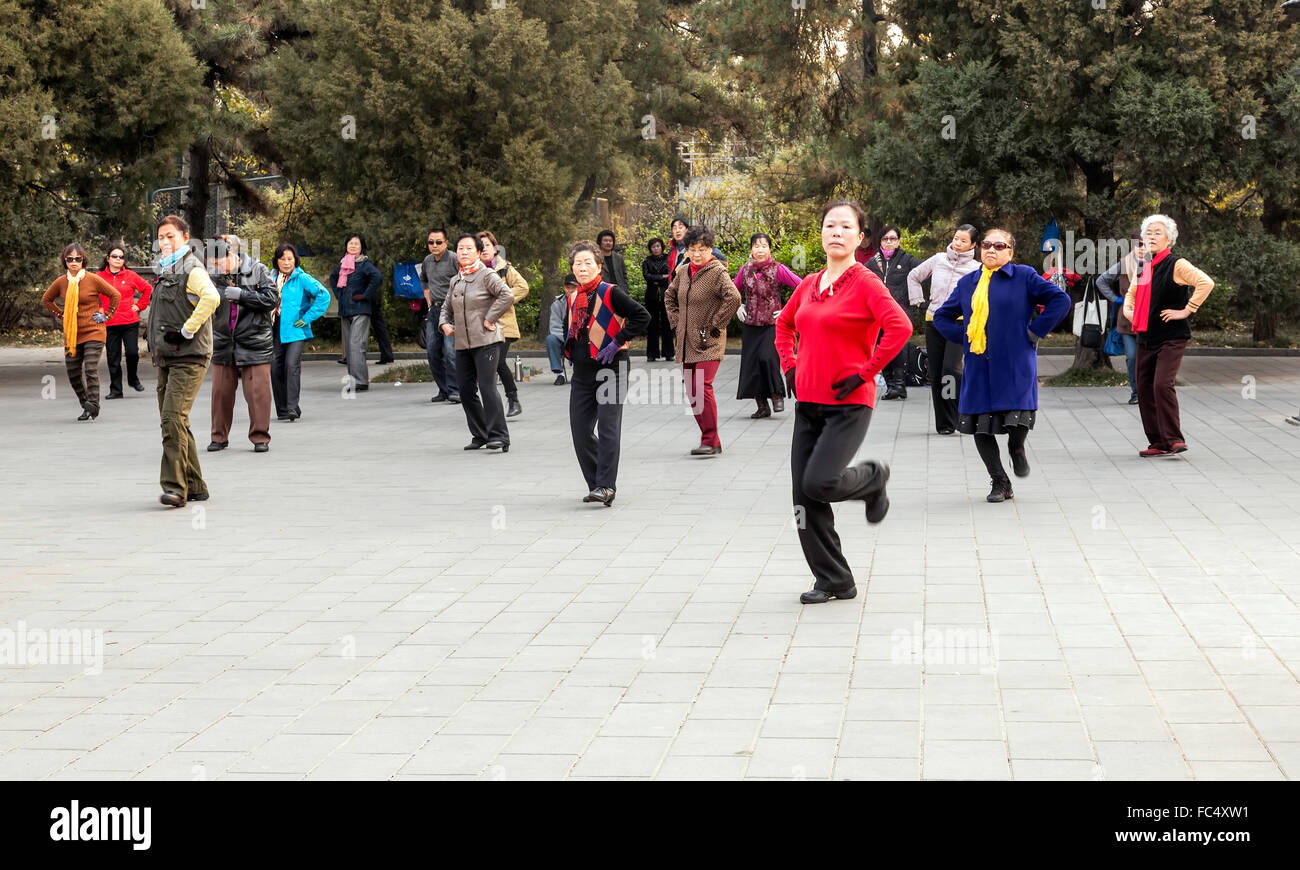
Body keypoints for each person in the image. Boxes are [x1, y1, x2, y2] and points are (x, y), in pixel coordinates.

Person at [775, 200, 911, 605]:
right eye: (829, 225)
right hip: (809, 403)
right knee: (804, 495)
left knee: (820, 481)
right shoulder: (810, 283)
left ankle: (872, 479)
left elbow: (899, 326)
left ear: (860, 238)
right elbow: (784, 324)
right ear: (821, 233)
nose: (836, 232)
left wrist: (866, 372)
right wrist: (790, 366)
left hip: (849, 403)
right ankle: (834, 580)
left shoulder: (866, 282)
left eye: (845, 227)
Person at [933, 229, 1071, 502]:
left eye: (999, 245)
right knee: (979, 424)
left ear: (1010, 252)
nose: (991, 250)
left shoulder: (1024, 276)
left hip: (1015, 360)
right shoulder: (968, 282)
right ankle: (1000, 481)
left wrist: (1034, 332)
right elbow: (942, 316)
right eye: (986, 245)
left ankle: (1016, 448)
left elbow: (1060, 300)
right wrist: (964, 336)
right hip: (979, 364)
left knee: (1016, 415)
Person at [563, 241, 650, 506]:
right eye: (578, 263)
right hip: (583, 372)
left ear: (599, 266)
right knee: (580, 430)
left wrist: (617, 341)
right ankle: (596, 482)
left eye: (588, 262)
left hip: (612, 368)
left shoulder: (610, 292)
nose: (583, 267)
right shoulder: (573, 296)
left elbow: (642, 316)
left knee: (609, 428)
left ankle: (605, 486)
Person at [1123, 214, 1214, 457]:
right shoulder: (1144, 265)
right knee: (1143, 388)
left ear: (1169, 239)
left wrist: (1186, 310)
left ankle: (1174, 439)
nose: (1151, 236)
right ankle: (1158, 443)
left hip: (1172, 336)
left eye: (1157, 233)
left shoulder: (1177, 264)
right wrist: (1129, 311)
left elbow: (1206, 283)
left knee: (1162, 384)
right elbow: (1131, 294)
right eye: (1148, 232)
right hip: (1145, 335)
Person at [148, 215, 220, 507]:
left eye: (170, 236)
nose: (165, 242)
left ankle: (176, 488)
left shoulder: (191, 268)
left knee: (171, 419)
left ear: (185, 237)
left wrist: (188, 329)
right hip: (168, 356)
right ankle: (196, 485)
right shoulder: (167, 268)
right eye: (161, 237)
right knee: (177, 421)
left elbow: (211, 298)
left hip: (189, 357)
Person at [665, 225, 741, 456]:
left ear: (711, 249)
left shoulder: (718, 272)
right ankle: (709, 439)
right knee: (692, 392)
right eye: (692, 249)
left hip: (709, 341)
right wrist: (677, 322)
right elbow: (669, 296)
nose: (697, 254)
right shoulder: (684, 271)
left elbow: (734, 298)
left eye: (703, 249)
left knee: (702, 386)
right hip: (687, 341)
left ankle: (710, 439)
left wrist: (716, 324)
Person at [440, 233, 514, 452]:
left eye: (469, 249)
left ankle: (499, 435)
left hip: (487, 341)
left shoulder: (487, 275)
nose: (464, 252)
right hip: (463, 343)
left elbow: (506, 295)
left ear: (478, 252)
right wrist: (444, 323)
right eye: (460, 249)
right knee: (464, 389)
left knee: (487, 386)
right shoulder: (456, 280)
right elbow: (446, 307)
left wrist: (490, 318)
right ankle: (480, 434)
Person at [207, 235, 278, 453]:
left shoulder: (256, 269)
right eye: (213, 265)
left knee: (257, 392)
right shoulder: (214, 276)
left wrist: (243, 296)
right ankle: (218, 437)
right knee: (220, 392)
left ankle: (260, 437)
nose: (217, 268)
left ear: (231, 255)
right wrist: (217, 294)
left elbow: (271, 298)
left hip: (254, 339)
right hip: (223, 339)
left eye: (219, 263)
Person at [907, 224, 981, 433]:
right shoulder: (938, 259)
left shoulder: (977, 269)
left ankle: (960, 414)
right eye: (956, 238)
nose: (957, 243)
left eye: (963, 241)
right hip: (934, 322)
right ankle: (945, 424)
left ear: (973, 245)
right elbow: (913, 276)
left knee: (951, 370)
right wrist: (919, 301)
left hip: (959, 325)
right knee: (937, 372)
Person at [42, 244, 121, 421]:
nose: (74, 262)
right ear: (65, 261)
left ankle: (94, 404)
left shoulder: (92, 279)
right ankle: (86, 405)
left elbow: (115, 295)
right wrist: (61, 314)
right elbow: (46, 299)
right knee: (73, 373)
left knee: (90, 368)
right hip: (72, 333)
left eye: (78, 259)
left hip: (94, 330)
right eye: (70, 259)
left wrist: (106, 315)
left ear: (83, 260)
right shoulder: (61, 282)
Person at [734, 233, 801, 418]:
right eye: (756, 246)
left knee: (768, 358)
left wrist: (788, 310)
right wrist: (737, 305)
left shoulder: (778, 269)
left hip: (772, 323)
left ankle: (777, 394)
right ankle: (762, 405)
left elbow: (801, 286)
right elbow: (731, 290)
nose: (760, 249)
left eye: (764, 245)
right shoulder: (745, 270)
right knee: (752, 365)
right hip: (750, 325)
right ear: (751, 250)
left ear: (770, 249)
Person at [271, 243, 330, 422]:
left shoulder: (302, 278)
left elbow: (323, 295)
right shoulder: (270, 276)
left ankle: (292, 407)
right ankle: (281, 409)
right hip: (275, 327)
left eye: (290, 259)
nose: (287, 262)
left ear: (295, 260)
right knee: (275, 368)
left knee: (291, 365)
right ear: (277, 261)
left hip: (296, 329)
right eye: (283, 259)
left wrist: (307, 317)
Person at [865, 225, 922, 400]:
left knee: (897, 347)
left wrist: (918, 297)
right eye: (885, 239)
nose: (889, 242)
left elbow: (926, 272)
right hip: (878, 313)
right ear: (880, 241)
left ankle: (899, 385)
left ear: (898, 241)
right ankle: (891, 385)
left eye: (893, 239)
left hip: (900, 312)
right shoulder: (872, 262)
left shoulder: (907, 260)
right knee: (881, 347)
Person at [479, 230, 529, 418]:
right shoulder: (473, 271)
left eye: (488, 245)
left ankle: (513, 399)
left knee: (498, 362)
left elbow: (523, 287)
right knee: (486, 366)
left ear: (495, 248)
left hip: (504, 325)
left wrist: (504, 299)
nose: (484, 249)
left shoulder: (504, 269)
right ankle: (492, 405)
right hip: (482, 326)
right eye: (481, 246)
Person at [96, 246, 152, 399]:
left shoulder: (131, 275)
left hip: (129, 322)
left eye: (121, 257)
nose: (118, 259)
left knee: (132, 353)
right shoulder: (99, 276)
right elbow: (91, 294)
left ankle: (133, 379)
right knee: (113, 357)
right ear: (108, 259)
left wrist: (139, 306)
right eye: (114, 256)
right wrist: (99, 307)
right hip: (110, 323)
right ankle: (116, 389)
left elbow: (148, 289)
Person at [1095, 237, 1146, 405]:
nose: (1142, 248)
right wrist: (1116, 299)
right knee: (1132, 357)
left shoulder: (1156, 264)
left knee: (1148, 358)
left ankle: (1150, 391)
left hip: (1149, 319)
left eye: (1145, 245)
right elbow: (1101, 281)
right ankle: (1136, 392)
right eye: (1139, 245)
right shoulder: (1124, 264)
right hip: (1127, 320)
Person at [331, 233, 383, 393]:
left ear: (361, 247)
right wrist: (339, 295)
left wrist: (365, 295)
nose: (353, 246)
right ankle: (354, 381)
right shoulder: (342, 264)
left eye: (356, 244)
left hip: (361, 309)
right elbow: (333, 278)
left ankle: (361, 381)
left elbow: (377, 277)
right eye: (350, 243)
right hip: (346, 310)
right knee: (349, 348)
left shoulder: (364, 263)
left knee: (356, 345)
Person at [421, 227, 460, 403]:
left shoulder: (453, 259)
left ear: (445, 243)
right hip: (434, 310)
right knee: (432, 351)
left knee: (451, 351)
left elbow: (464, 279)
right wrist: (428, 300)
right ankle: (443, 389)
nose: (434, 245)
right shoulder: (428, 260)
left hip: (451, 310)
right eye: (431, 242)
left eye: (438, 242)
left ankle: (455, 390)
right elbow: (424, 280)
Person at [641, 238, 674, 362]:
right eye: (653, 246)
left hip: (667, 295)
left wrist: (657, 279)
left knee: (667, 324)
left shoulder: (668, 259)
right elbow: (647, 277)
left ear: (662, 247)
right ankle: (652, 354)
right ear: (650, 249)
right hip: (652, 296)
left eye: (658, 246)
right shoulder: (647, 261)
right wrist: (662, 277)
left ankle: (669, 353)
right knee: (652, 324)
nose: (656, 248)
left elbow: (670, 275)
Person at [547, 274, 579, 384]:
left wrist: (575, 337)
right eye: (567, 287)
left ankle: (580, 372)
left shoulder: (585, 301)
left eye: (573, 287)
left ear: (579, 287)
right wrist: (568, 338)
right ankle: (559, 374)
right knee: (551, 339)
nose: (570, 290)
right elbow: (555, 327)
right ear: (564, 287)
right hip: (563, 338)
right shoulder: (557, 304)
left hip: (580, 338)